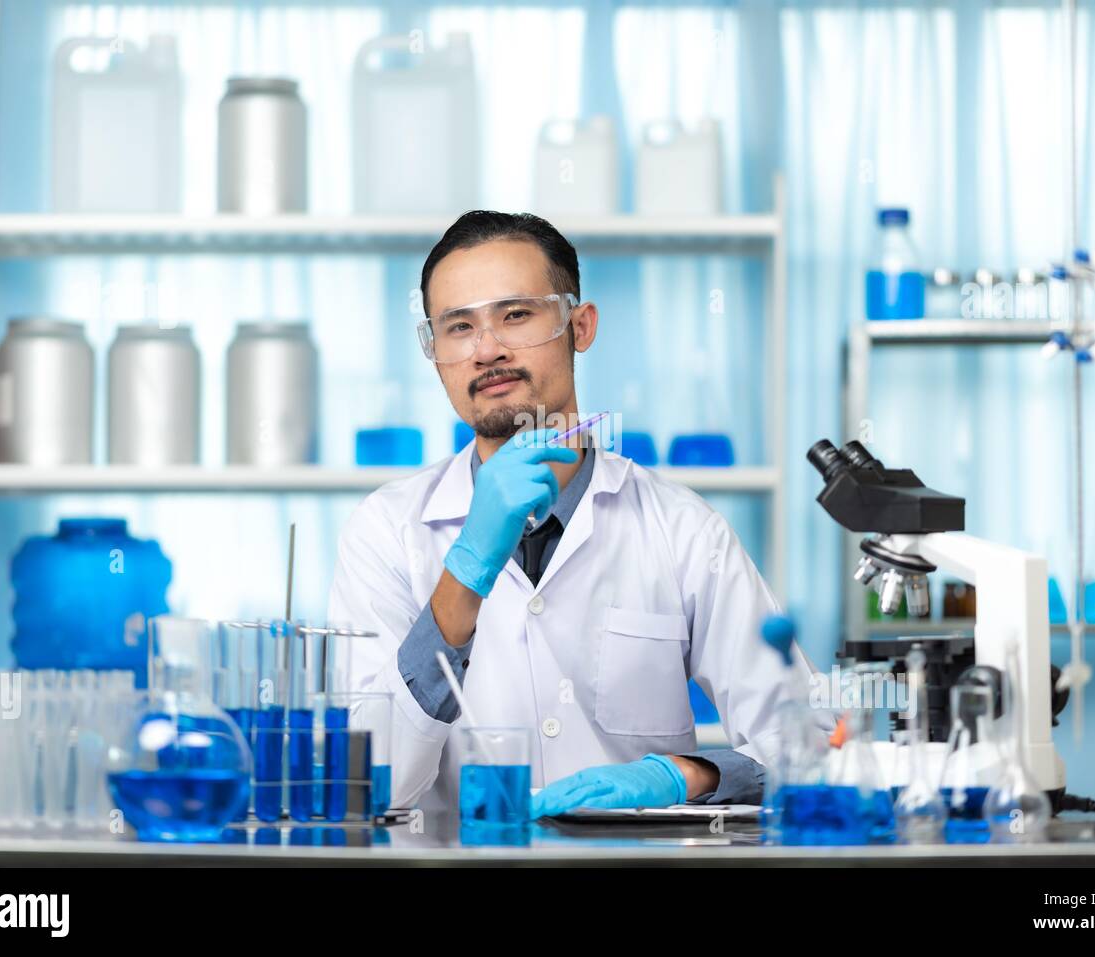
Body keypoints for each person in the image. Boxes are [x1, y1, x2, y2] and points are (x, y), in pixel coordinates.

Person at [327, 210, 825, 817]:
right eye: (458, 327)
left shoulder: (682, 529)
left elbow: (810, 745)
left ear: (579, 325)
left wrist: (690, 774)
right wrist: (465, 573)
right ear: (435, 354)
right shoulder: (386, 530)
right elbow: (367, 789)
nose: (487, 350)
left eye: (515, 315)